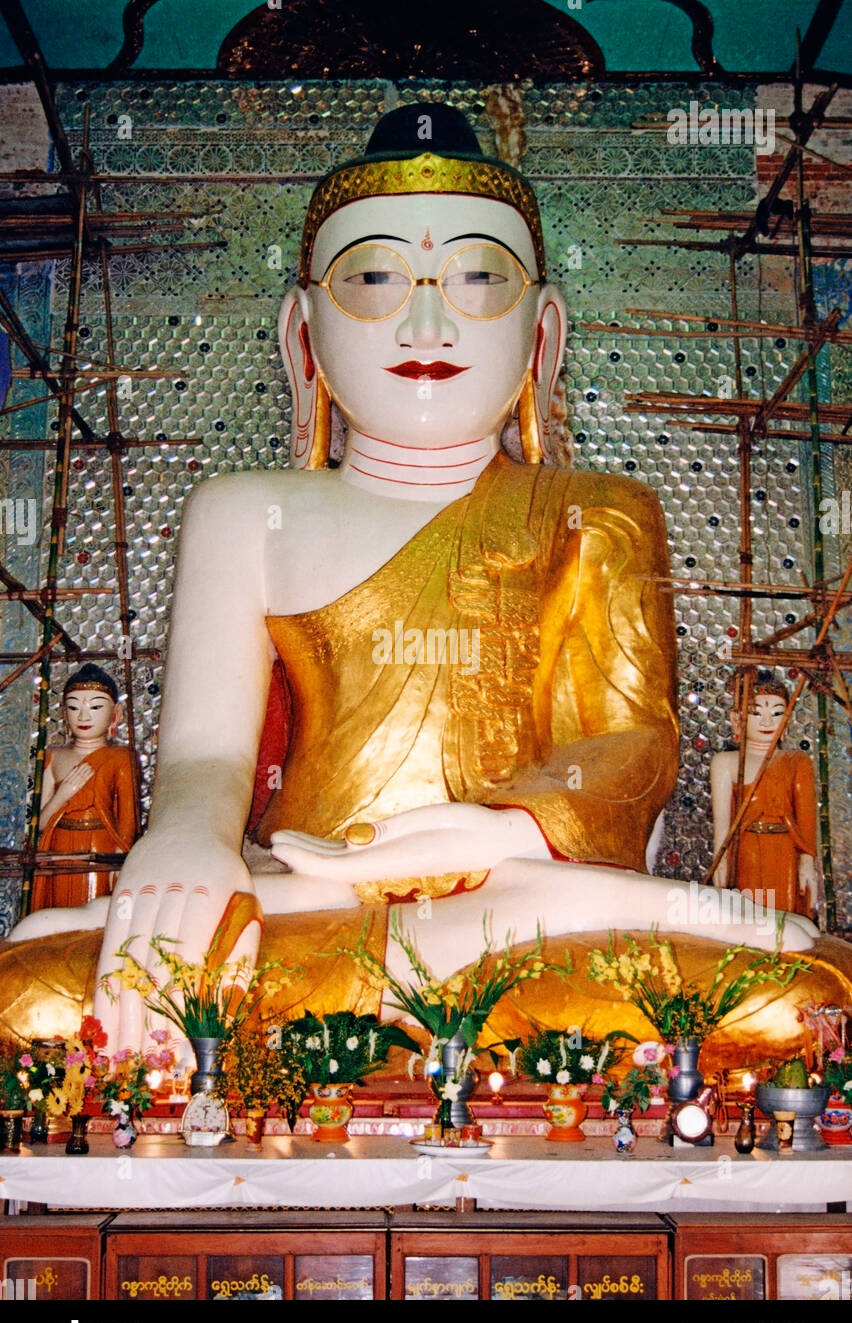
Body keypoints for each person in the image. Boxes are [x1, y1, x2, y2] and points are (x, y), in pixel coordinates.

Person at [10, 105, 820, 1052]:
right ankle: (448, 953)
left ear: (541, 330)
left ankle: (466, 937)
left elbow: (630, 741)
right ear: (302, 331)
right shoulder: (241, 512)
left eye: (480, 278)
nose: (427, 320)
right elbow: (205, 762)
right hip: (307, 889)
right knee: (28, 983)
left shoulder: (597, 510)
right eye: (372, 280)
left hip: (513, 875)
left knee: (789, 997)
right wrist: (186, 843)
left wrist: (498, 836)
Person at [29, 664, 139, 911]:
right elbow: (40, 823)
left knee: (93, 913)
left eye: (96, 707)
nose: (83, 716)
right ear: (64, 712)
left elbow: (127, 822)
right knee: (56, 914)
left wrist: (118, 864)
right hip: (58, 845)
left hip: (99, 846)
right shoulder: (53, 756)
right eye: (74, 707)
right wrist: (63, 794)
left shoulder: (121, 757)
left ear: (115, 713)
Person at [710, 672, 818, 918]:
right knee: (749, 918)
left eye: (777, 713)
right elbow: (722, 828)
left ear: (788, 719)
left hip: (785, 854)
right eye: (756, 713)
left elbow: (806, 820)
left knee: (786, 919)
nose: (767, 722)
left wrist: (807, 862)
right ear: (737, 719)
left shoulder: (797, 762)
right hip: (746, 851)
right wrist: (721, 862)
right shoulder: (726, 763)